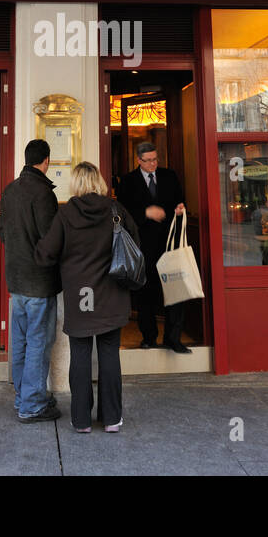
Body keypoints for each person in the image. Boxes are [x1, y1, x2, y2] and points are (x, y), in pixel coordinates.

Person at [35, 161, 137, 433]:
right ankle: (112, 419)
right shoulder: (116, 210)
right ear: (99, 182)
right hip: (111, 294)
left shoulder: (66, 214)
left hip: (81, 296)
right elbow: (135, 245)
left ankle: (81, 421)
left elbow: (46, 253)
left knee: (80, 356)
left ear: (76, 183)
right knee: (109, 355)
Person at [0, 139, 62, 423]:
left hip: (16, 278)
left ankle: (22, 397)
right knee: (38, 341)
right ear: (45, 161)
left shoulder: (10, 191)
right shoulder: (43, 193)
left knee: (21, 341)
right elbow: (50, 239)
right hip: (39, 280)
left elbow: (3, 232)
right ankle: (32, 405)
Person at [118, 141, 189, 353]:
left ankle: (173, 338)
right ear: (138, 160)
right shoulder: (128, 181)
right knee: (146, 294)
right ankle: (148, 337)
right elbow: (123, 212)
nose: (153, 164)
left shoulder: (169, 176)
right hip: (143, 246)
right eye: (148, 161)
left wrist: (180, 208)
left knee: (175, 292)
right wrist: (146, 213)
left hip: (170, 245)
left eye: (155, 160)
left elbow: (180, 201)